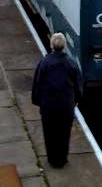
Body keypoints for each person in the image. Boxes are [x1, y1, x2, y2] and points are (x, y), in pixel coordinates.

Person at [31, 33, 82, 168]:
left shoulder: (44, 63)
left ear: (51, 45)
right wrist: (77, 99)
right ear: (64, 46)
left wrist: (38, 101)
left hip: (49, 106)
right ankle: (62, 158)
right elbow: (77, 84)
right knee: (64, 133)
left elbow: (38, 84)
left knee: (50, 133)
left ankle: (52, 159)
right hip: (66, 105)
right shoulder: (71, 63)